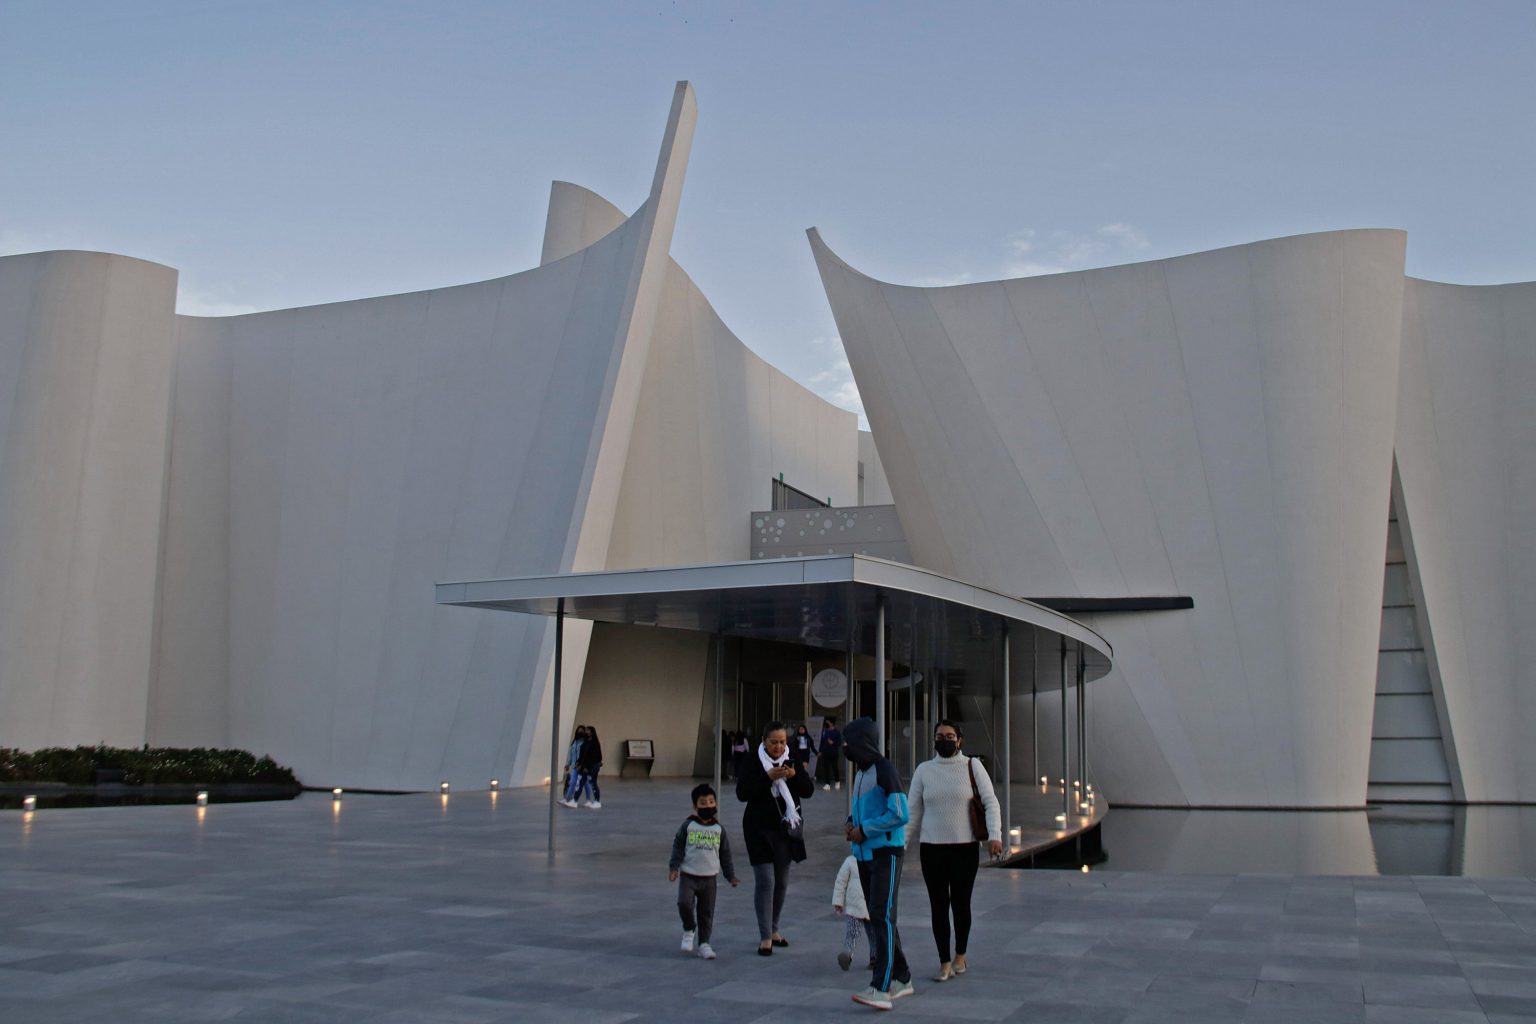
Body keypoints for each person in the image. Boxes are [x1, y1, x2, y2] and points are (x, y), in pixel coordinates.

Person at [906, 720, 1002, 982]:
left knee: (961, 903)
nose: (945, 740)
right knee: (938, 905)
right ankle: (944, 961)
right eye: (940, 736)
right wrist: (900, 844)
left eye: (950, 736)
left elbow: (990, 802)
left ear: (959, 740)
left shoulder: (972, 766)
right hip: (932, 849)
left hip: (964, 848)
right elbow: (912, 811)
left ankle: (960, 953)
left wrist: (995, 835)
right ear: (933, 740)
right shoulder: (924, 770)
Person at [843, 715, 913, 1010]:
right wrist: (851, 822)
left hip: (886, 853)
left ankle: (881, 987)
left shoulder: (885, 770)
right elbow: (862, 807)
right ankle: (902, 977)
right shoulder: (861, 773)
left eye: (849, 742)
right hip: (865, 854)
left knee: (882, 915)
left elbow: (900, 812)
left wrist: (866, 829)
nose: (845, 748)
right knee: (879, 915)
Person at [735, 720, 814, 956]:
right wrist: (767, 777)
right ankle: (765, 936)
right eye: (773, 742)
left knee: (781, 882)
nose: (778, 747)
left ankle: (774, 927)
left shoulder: (792, 758)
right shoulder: (753, 760)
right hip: (758, 829)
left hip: (784, 830)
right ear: (764, 741)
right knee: (765, 882)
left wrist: (793, 775)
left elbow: (807, 790)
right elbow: (742, 793)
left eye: (782, 742)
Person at [669, 783, 740, 960]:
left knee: (706, 912)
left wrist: (730, 875)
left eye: (711, 802)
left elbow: (725, 854)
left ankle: (704, 944)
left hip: (709, 878)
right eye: (703, 803)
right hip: (689, 875)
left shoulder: (718, 830)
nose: (708, 806)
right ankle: (689, 928)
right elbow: (678, 846)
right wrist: (674, 867)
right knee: (684, 903)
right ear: (695, 806)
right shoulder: (688, 826)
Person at [832, 853, 873, 972]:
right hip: (868, 905)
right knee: (874, 934)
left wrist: (838, 901)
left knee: (852, 933)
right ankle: (875, 957)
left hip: (855, 906)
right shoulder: (875, 859)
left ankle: (847, 952)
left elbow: (840, 882)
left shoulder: (850, 860)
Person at [572, 725, 603, 808]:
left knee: (593, 783)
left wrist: (587, 767)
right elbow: (582, 754)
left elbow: (595, 757)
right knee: (579, 783)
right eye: (585, 730)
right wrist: (578, 762)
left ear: (592, 732)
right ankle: (574, 801)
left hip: (592, 767)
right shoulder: (585, 742)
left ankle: (597, 801)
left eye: (588, 730)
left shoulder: (594, 743)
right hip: (584, 766)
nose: (585, 732)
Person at [558, 726, 586, 808]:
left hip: (582, 767)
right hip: (574, 767)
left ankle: (590, 800)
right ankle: (567, 799)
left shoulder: (585, 742)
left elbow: (585, 755)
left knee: (586, 784)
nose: (580, 733)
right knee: (573, 783)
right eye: (578, 731)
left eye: (581, 731)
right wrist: (567, 764)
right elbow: (571, 754)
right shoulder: (574, 742)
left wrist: (582, 765)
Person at [817, 716, 843, 790]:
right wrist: (820, 751)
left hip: (833, 752)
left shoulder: (836, 732)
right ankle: (827, 784)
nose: (826, 723)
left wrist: (833, 742)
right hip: (825, 752)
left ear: (831, 723)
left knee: (834, 767)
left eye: (828, 722)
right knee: (826, 768)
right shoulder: (825, 731)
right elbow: (822, 742)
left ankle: (837, 781)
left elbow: (839, 742)